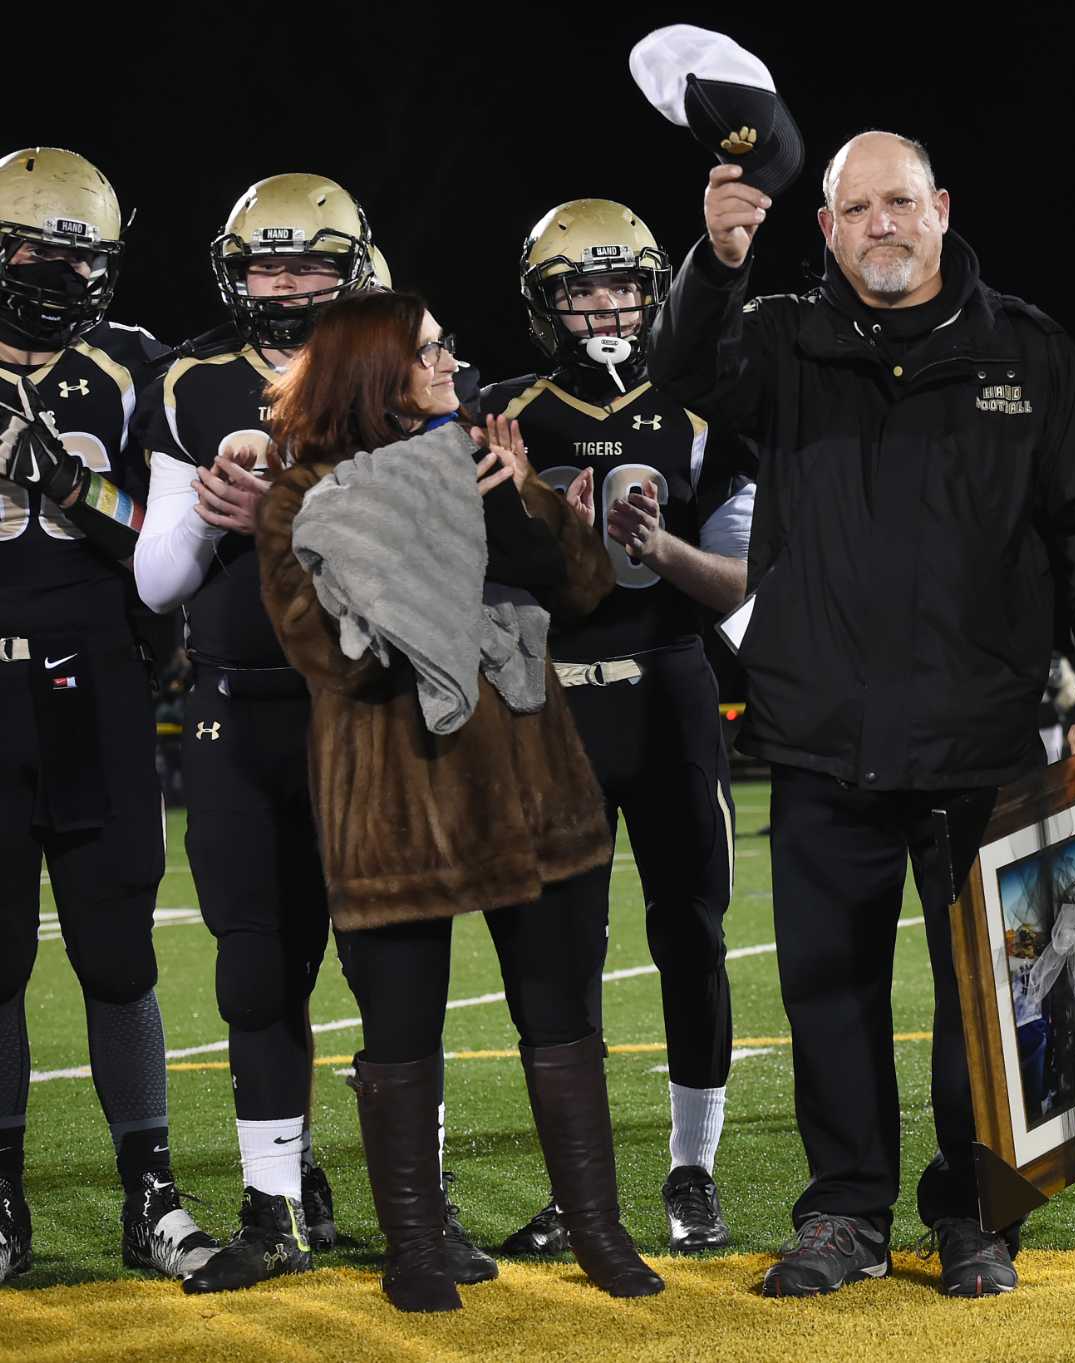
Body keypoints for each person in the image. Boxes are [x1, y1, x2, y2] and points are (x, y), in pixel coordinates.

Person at [648, 131, 1075, 1298]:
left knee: (986, 994)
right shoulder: (775, 338)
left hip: (982, 739)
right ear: (824, 227)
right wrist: (715, 262)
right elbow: (678, 376)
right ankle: (844, 1212)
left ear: (939, 210)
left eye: (899, 202)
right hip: (822, 736)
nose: (880, 223)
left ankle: (974, 1212)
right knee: (829, 987)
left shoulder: (1027, 347)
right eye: (855, 207)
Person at [254, 290, 663, 1311]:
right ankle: (415, 1247)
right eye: (426, 350)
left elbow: (580, 588)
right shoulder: (302, 490)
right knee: (399, 1027)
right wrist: (422, 506)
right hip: (400, 793)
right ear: (371, 371)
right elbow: (329, 655)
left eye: (443, 344)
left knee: (560, 1012)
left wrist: (515, 495)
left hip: (531, 776)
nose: (448, 363)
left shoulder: (483, 458)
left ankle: (598, 1230)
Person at [132, 174, 496, 1293]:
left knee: (397, 969)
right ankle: (273, 1203)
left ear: (358, 270)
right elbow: (155, 585)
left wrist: (285, 493)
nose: (284, 286)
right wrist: (203, 505)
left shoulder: (414, 364)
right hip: (241, 709)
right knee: (256, 970)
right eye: (265, 266)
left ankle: (416, 1204)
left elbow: (442, 539)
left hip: (374, 710)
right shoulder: (187, 382)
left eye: (308, 265)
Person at [480, 197, 752, 1258]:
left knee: (690, 932)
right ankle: (578, 1186)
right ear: (544, 304)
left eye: (622, 285)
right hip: (552, 701)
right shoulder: (502, 412)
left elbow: (737, 580)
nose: (603, 305)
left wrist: (662, 548)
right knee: (562, 951)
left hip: (670, 685)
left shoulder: (696, 412)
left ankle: (693, 1171)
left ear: (652, 295)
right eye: (580, 288)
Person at [0, 146, 215, 1284]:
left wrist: (76, 489)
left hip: (98, 686)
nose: (60, 272)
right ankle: (2, 1197)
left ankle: (151, 1190)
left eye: (81, 253)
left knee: (120, 956)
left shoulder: (138, 365)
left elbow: (173, 543)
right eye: (38, 248)